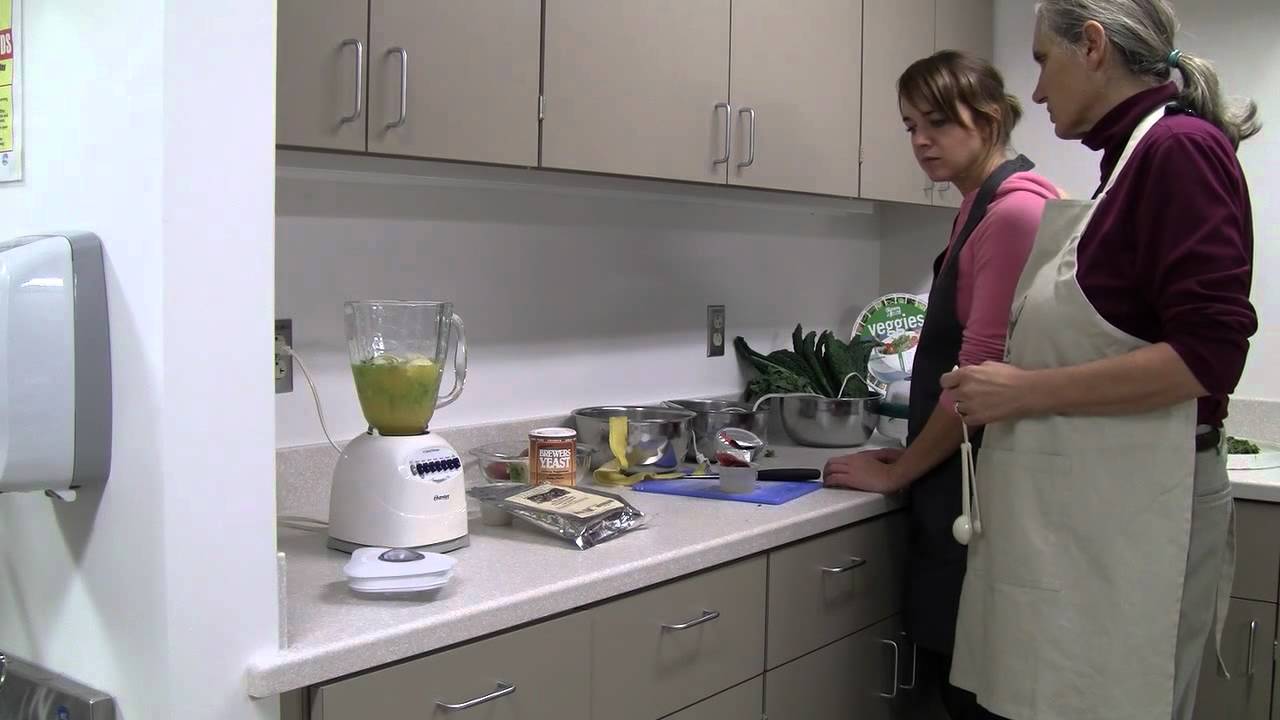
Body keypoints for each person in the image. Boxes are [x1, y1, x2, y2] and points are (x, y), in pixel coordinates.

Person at [940, 1, 1260, 718]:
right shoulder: (1131, 162)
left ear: (1091, 47)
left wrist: (1025, 392)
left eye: (1042, 63)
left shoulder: (1180, 151)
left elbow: (1206, 358)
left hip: (1146, 503)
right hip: (1098, 509)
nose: (1041, 92)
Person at [822, 51, 1058, 718]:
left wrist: (898, 475)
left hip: (984, 495)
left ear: (985, 120)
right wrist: (915, 454)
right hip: (959, 476)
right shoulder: (977, 209)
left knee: (971, 685)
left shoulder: (1012, 215)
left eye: (936, 122)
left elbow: (976, 384)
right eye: (909, 127)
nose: (921, 141)